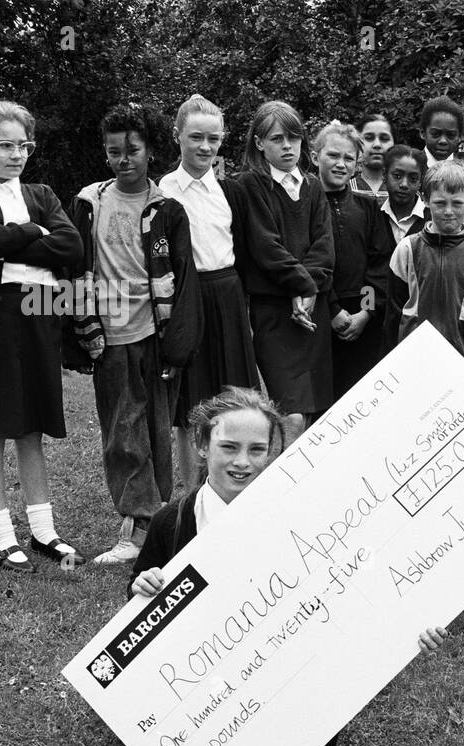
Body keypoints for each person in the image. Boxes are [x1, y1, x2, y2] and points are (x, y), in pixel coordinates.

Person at [129, 386, 448, 746]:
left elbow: (361, 587)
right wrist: (143, 586)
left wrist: (410, 627)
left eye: (257, 450)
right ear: (202, 447)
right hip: (209, 664)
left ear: (272, 453)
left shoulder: (298, 516)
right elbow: (138, 600)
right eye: (228, 447)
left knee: (325, 642)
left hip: (278, 645)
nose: (242, 461)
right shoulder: (174, 520)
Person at [0, 97, 84, 572]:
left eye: (23, 145)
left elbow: (70, 244)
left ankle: (43, 531)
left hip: (41, 310)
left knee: (33, 423)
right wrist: (30, 232)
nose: (17, 155)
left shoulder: (42, 193)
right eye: (5, 145)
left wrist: (13, 239)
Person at [67, 102, 201, 568]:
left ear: (149, 152)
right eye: (114, 152)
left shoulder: (168, 211)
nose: (124, 159)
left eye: (133, 150)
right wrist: (79, 333)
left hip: (155, 336)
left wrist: (178, 346)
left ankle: (157, 523)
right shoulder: (89, 204)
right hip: (110, 338)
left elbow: (183, 279)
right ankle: (134, 524)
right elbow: (73, 270)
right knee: (123, 432)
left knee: (157, 430)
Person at [158, 93, 259, 496]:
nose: (205, 147)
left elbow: (249, 252)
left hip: (228, 295)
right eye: (196, 137)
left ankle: (238, 492)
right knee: (190, 406)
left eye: (213, 139)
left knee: (236, 397)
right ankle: (192, 494)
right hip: (187, 296)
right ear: (177, 136)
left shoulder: (230, 191)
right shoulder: (163, 190)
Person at [238, 100, 335, 446]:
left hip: (312, 314)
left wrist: (308, 294)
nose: (287, 146)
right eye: (277, 139)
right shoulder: (250, 185)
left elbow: (324, 248)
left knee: (316, 416)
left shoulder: (312, 185)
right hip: (274, 315)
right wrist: (301, 287)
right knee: (291, 416)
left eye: (294, 138)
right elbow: (266, 246)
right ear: (259, 143)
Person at [310, 120, 395, 398]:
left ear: (357, 163)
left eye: (348, 158)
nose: (340, 164)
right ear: (315, 157)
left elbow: (380, 263)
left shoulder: (368, 207)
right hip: (320, 314)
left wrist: (366, 312)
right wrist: (333, 310)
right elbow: (308, 265)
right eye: (333, 155)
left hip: (362, 318)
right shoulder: (304, 206)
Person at [384, 160, 464, 365]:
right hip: (413, 357)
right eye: (440, 203)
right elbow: (393, 310)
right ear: (425, 200)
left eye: (457, 203)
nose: (449, 211)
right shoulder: (407, 248)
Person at [380, 144, 427, 243]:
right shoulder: (374, 217)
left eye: (413, 179)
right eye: (397, 176)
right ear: (384, 176)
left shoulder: (431, 220)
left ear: (420, 182)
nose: (404, 184)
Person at [352, 113, 394, 202]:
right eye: (369, 138)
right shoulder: (344, 189)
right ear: (357, 143)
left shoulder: (405, 191)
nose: (377, 145)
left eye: (384, 139)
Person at [419, 96, 464, 166]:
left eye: (451, 135)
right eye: (435, 134)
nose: (443, 141)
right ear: (423, 133)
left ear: (459, 136)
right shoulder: (410, 169)